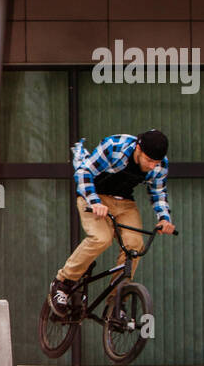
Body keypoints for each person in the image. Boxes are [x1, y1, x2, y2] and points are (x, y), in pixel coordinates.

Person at [49, 129, 177, 314]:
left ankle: (116, 302)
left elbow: (158, 192)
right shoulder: (114, 147)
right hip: (93, 197)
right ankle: (63, 282)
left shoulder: (160, 165)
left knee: (134, 245)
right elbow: (84, 172)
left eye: (156, 162)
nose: (152, 166)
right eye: (149, 161)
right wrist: (94, 202)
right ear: (138, 149)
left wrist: (164, 219)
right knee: (101, 238)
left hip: (124, 202)